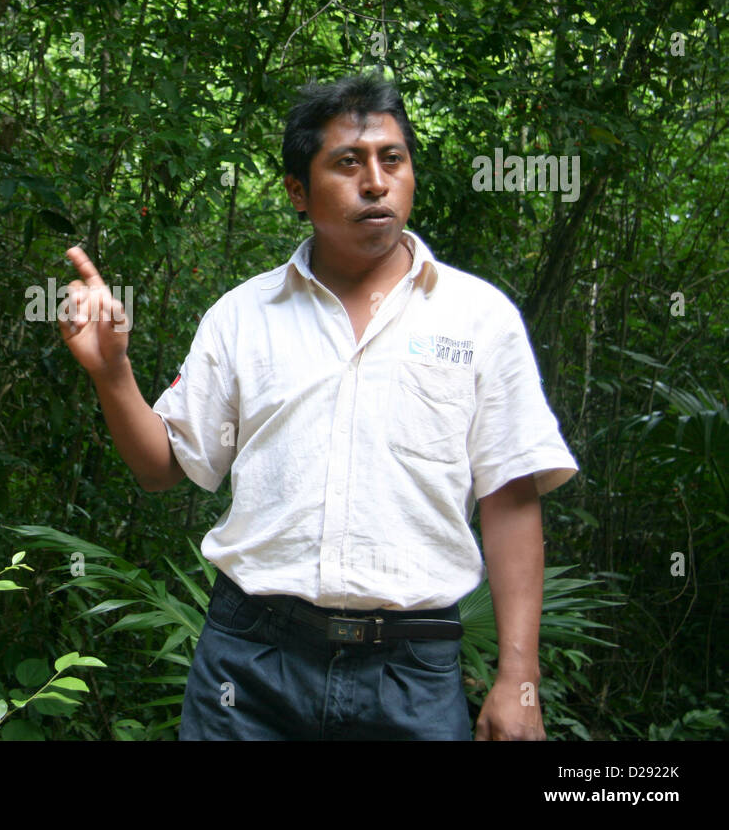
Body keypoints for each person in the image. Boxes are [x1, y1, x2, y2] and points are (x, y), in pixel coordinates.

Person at [56, 72, 578, 740]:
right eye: (347, 163)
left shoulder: (480, 318)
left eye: (392, 159)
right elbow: (163, 467)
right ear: (298, 193)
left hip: (413, 673)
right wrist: (112, 372)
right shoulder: (244, 316)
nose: (375, 181)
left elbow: (511, 499)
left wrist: (519, 680)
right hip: (250, 664)